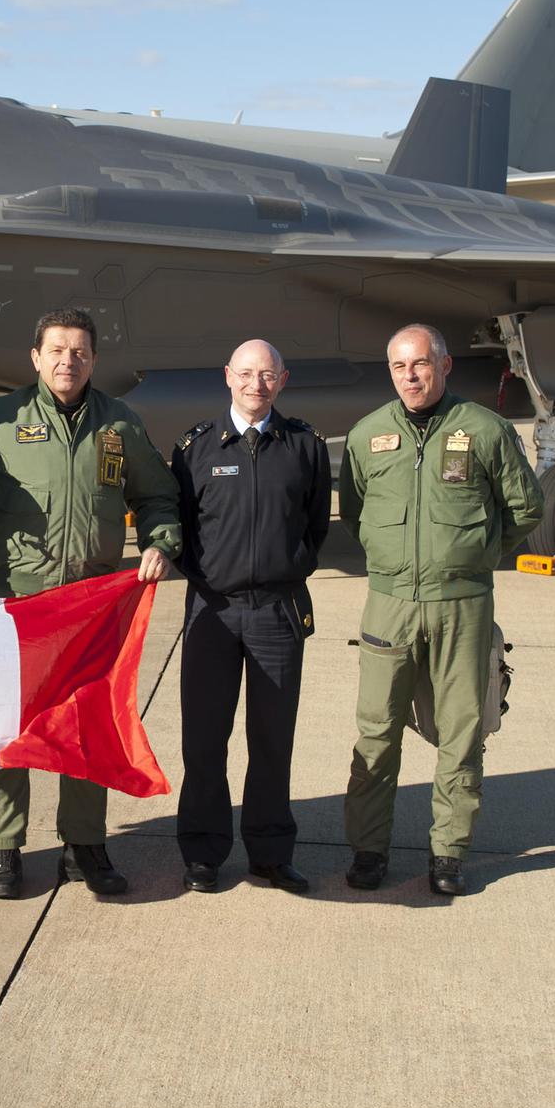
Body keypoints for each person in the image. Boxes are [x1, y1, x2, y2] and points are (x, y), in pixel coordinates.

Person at [0, 308, 180, 899]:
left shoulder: (119, 424)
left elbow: (157, 495)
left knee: (87, 728)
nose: (68, 361)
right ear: (35, 357)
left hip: (91, 603)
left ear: (94, 360)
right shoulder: (0, 419)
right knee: (12, 729)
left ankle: (84, 846)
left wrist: (159, 542)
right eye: (56, 350)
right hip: (21, 605)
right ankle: (3, 850)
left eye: (79, 352)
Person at [338, 323, 543, 896]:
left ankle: (448, 853)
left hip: (463, 607)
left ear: (445, 366)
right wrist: (394, 562)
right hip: (390, 606)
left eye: (421, 364)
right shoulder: (366, 435)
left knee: (461, 732)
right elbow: (355, 514)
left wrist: (474, 556)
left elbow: (525, 507)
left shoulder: (485, 429)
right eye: (400, 366)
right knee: (377, 731)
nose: (411, 376)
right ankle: (369, 850)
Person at [169, 339, 330, 895]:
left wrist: (286, 567)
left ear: (282, 380)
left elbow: (316, 526)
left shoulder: (305, 446)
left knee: (272, 739)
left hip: (277, 613)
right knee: (204, 739)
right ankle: (203, 852)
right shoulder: (195, 447)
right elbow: (180, 526)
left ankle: (270, 853)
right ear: (227, 377)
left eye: (266, 374)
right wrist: (212, 577)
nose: (255, 384)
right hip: (212, 613)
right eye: (245, 374)